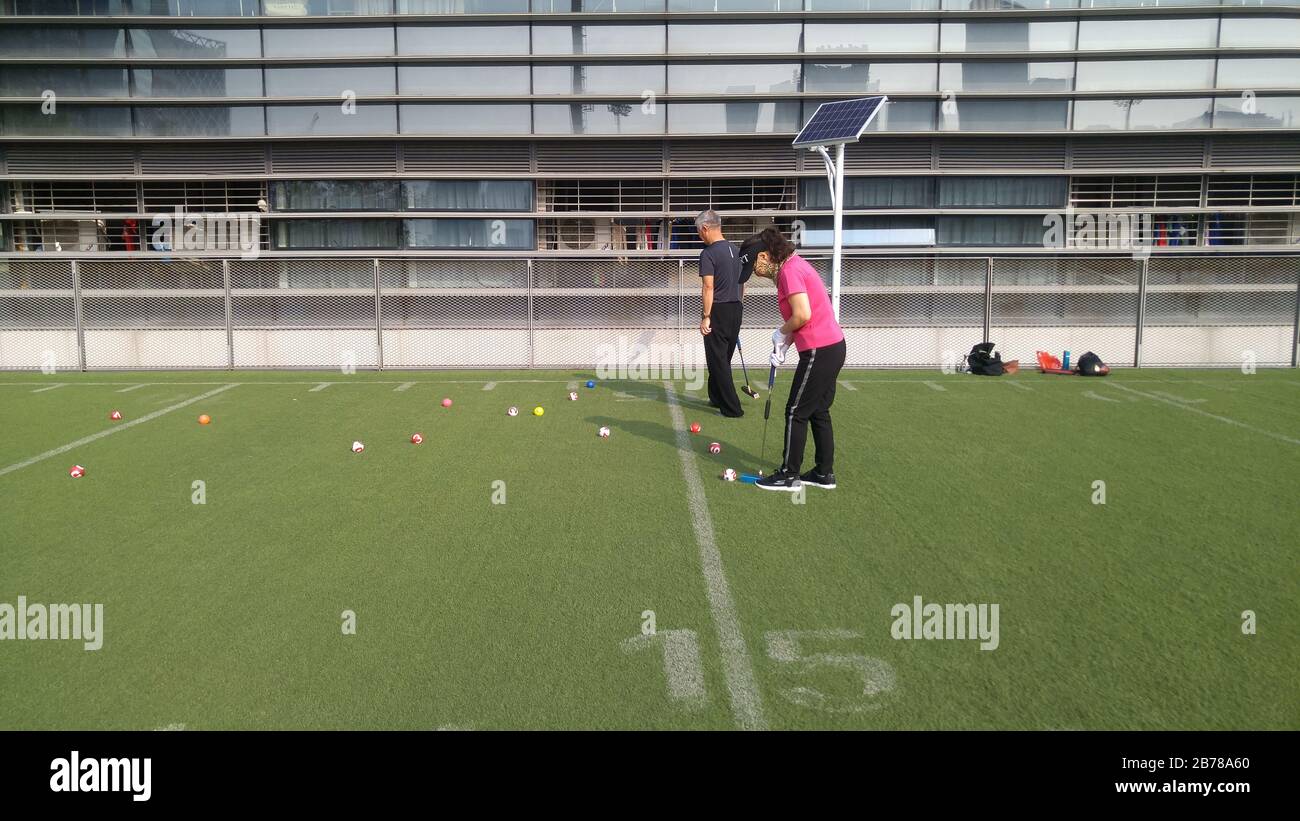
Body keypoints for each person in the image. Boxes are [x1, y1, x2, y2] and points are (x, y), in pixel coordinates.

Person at [746, 227, 845, 491]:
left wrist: (781, 333)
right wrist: (785, 343)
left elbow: (802, 315)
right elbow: (801, 317)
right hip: (831, 346)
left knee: (796, 411)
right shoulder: (794, 266)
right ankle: (824, 474)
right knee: (818, 411)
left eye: (754, 264)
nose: (754, 272)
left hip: (820, 349)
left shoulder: (789, 271)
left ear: (765, 257)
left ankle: (789, 475)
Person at [695, 209, 744, 418]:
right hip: (735, 308)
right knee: (723, 357)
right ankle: (716, 397)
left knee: (718, 361)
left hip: (719, 310)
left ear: (705, 228)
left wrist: (706, 315)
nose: (699, 235)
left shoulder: (708, 253)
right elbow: (742, 283)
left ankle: (732, 408)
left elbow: (708, 287)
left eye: (698, 231)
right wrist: (739, 305)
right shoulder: (735, 250)